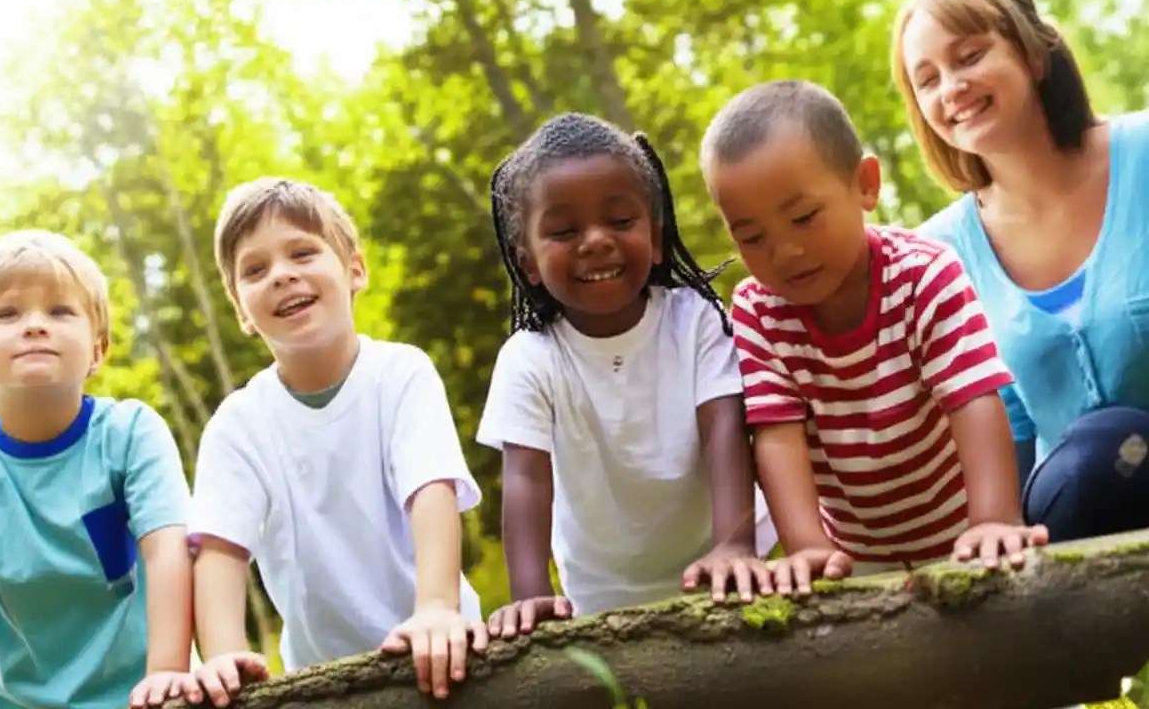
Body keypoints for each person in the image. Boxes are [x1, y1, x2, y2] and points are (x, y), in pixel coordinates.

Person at [699, 80, 1048, 594]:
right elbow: (776, 434)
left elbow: (973, 398)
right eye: (753, 238)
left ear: (864, 184)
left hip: (962, 532)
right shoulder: (759, 311)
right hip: (853, 556)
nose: (786, 251)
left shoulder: (925, 275)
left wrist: (994, 518)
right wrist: (806, 547)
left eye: (803, 218)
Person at [188, 178, 488, 707]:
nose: (282, 275)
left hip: (447, 648)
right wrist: (224, 656)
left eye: (303, 252)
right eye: (255, 270)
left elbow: (432, 491)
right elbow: (220, 549)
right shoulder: (237, 425)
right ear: (239, 309)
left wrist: (438, 608)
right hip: (326, 680)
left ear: (355, 269)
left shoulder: (400, 373)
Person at [477, 112, 778, 638]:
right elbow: (525, 479)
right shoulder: (529, 359)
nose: (595, 241)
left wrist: (735, 546)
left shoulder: (695, 321)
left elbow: (726, 431)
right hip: (601, 596)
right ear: (528, 263)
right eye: (565, 231)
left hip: (724, 568)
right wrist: (530, 595)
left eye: (620, 221)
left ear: (656, 239)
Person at [893, 0, 1149, 542]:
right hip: (1070, 518)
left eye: (969, 57)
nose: (953, 88)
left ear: (1032, 54)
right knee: (1098, 460)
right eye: (929, 79)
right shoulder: (936, 255)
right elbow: (995, 433)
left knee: (1117, 444)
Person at [0, 230, 196, 709]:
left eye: (60, 311)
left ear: (98, 349)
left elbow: (168, 551)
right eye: (7, 314)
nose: (35, 325)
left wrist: (166, 678)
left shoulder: (130, 434)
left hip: (149, 694)